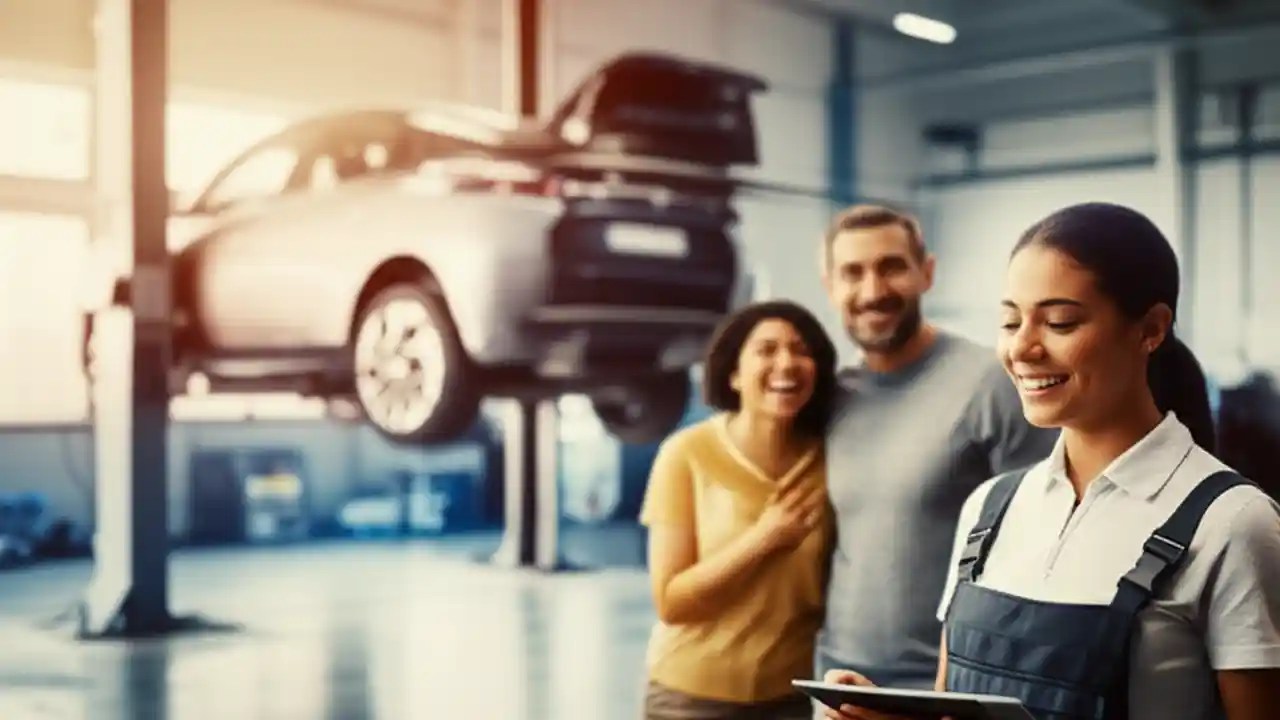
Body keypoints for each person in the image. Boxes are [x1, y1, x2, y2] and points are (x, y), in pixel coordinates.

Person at [820, 202, 1280, 720]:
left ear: (1151, 328)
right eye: (1011, 320)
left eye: (1059, 322)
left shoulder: (1233, 525)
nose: (1022, 348)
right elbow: (952, 709)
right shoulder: (988, 510)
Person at [816, 204, 1057, 688]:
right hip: (836, 683)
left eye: (891, 267)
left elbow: (1043, 545)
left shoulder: (992, 382)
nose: (872, 290)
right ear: (830, 286)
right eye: (853, 273)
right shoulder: (830, 397)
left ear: (926, 273)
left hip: (943, 688)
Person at [639, 300, 839, 720]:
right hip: (689, 699)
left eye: (801, 350)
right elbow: (671, 601)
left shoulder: (830, 461)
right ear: (733, 373)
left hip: (786, 701)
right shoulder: (686, 454)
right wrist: (765, 538)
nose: (786, 362)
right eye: (766, 350)